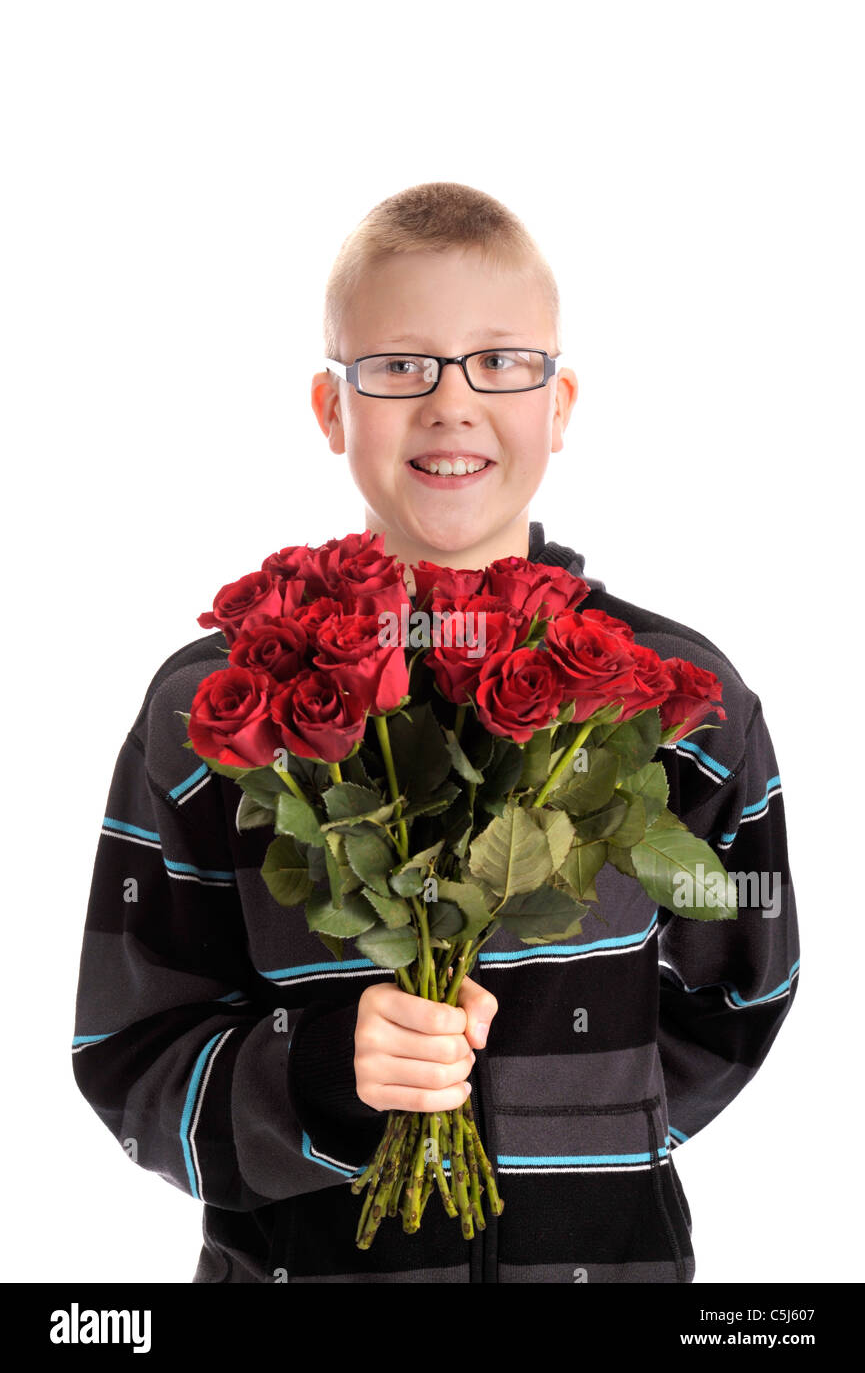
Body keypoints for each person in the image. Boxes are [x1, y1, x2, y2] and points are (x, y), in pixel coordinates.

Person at [72, 181, 799, 1284]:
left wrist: (582, 1143)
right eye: (400, 366)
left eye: (502, 362)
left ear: (558, 405)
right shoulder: (211, 707)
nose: (452, 404)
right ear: (331, 408)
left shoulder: (677, 696)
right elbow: (128, 1053)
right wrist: (318, 1077)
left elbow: (739, 980)